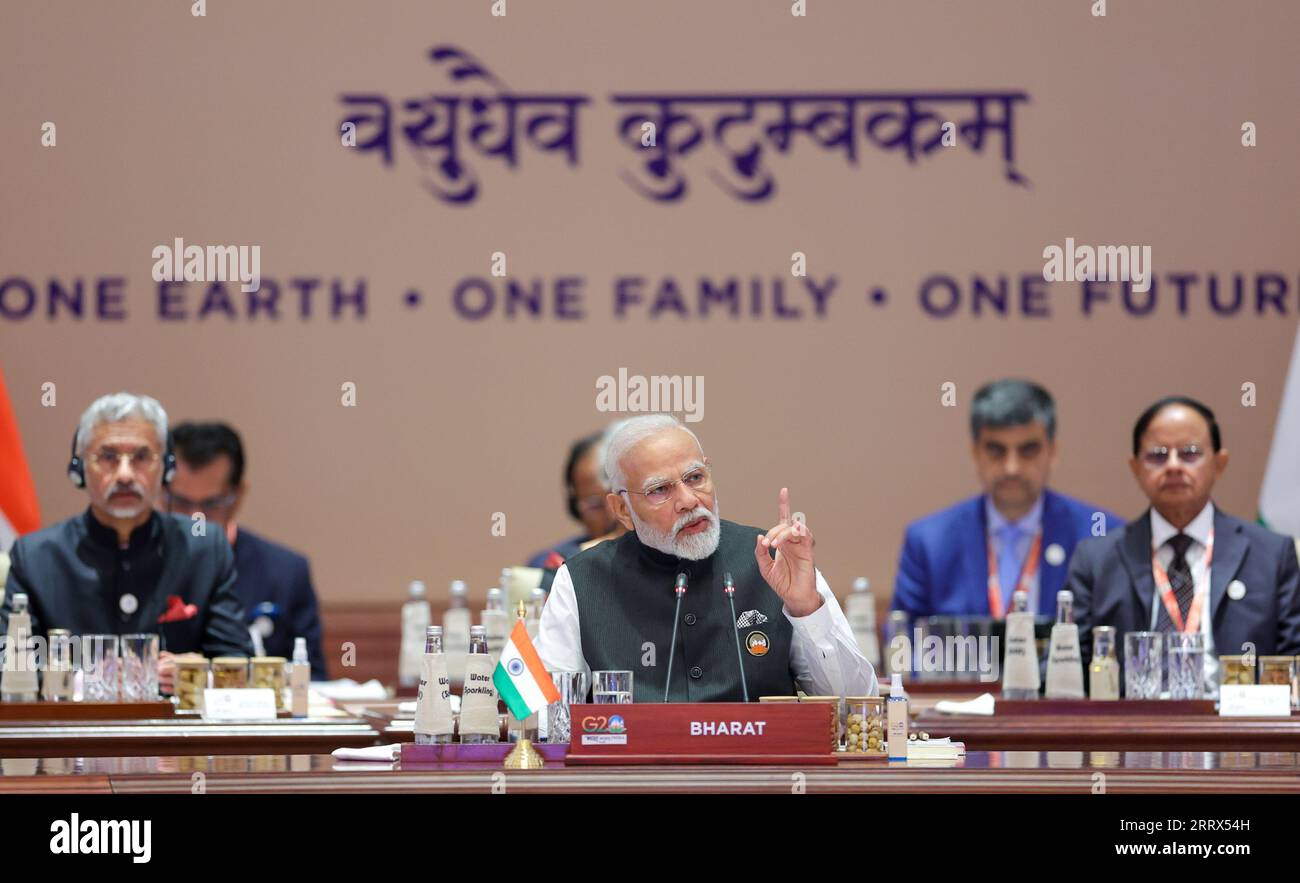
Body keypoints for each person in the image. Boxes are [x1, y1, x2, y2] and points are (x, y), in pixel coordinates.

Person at [536, 414, 876, 701]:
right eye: (660, 490)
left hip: (762, 777)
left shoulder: (774, 559)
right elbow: (545, 718)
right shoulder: (583, 580)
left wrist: (807, 608)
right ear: (622, 509)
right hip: (637, 779)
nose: (688, 500)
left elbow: (855, 704)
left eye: (695, 478)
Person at [0, 393, 252, 693]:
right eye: (107, 457)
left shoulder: (205, 549)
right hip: (76, 735)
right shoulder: (37, 556)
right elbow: (10, 667)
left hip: (175, 735)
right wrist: (88, 680)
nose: (124, 474)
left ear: (167, 469)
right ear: (79, 469)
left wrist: (196, 674)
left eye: (142, 457)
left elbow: (238, 663)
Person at [1068, 396, 1300, 687]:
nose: (1174, 466)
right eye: (1157, 455)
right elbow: (1072, 668)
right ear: (1136, 468)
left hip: (1236, 724)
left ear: (1219, 463)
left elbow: (1293, 661)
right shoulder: (1097, 560)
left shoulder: (1270, 554)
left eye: (1189, 453)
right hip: (1132, 725)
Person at [892, 379, 1121, 619]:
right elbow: (902, 641)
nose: (1012, 467)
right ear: (975, 453)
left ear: (1052, 452)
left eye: (1028, 449)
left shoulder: (1101, 537)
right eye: (996, 450)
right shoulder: (929, 541)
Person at [168, 422, 327, 680]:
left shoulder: (286, 572)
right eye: (181, 501)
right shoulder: (141, 560)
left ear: (238, 496)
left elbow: (313, 680)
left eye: (211, 504)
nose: (194, 518)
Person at [526, 431, 621, 568]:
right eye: (596, 505)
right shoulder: (555, 563)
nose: (615, 516)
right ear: (574, 508)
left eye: (623, 501)